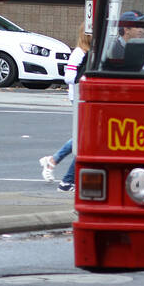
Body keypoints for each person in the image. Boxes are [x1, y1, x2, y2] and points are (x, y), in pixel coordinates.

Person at [40, 25, 90, 193]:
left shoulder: (88, 52)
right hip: (78, 97)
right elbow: (68, 77)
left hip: (83, 97)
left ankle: (54, 161)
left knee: (80, 137)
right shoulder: (79, 53)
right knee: (82, 138)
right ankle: (65, 178)